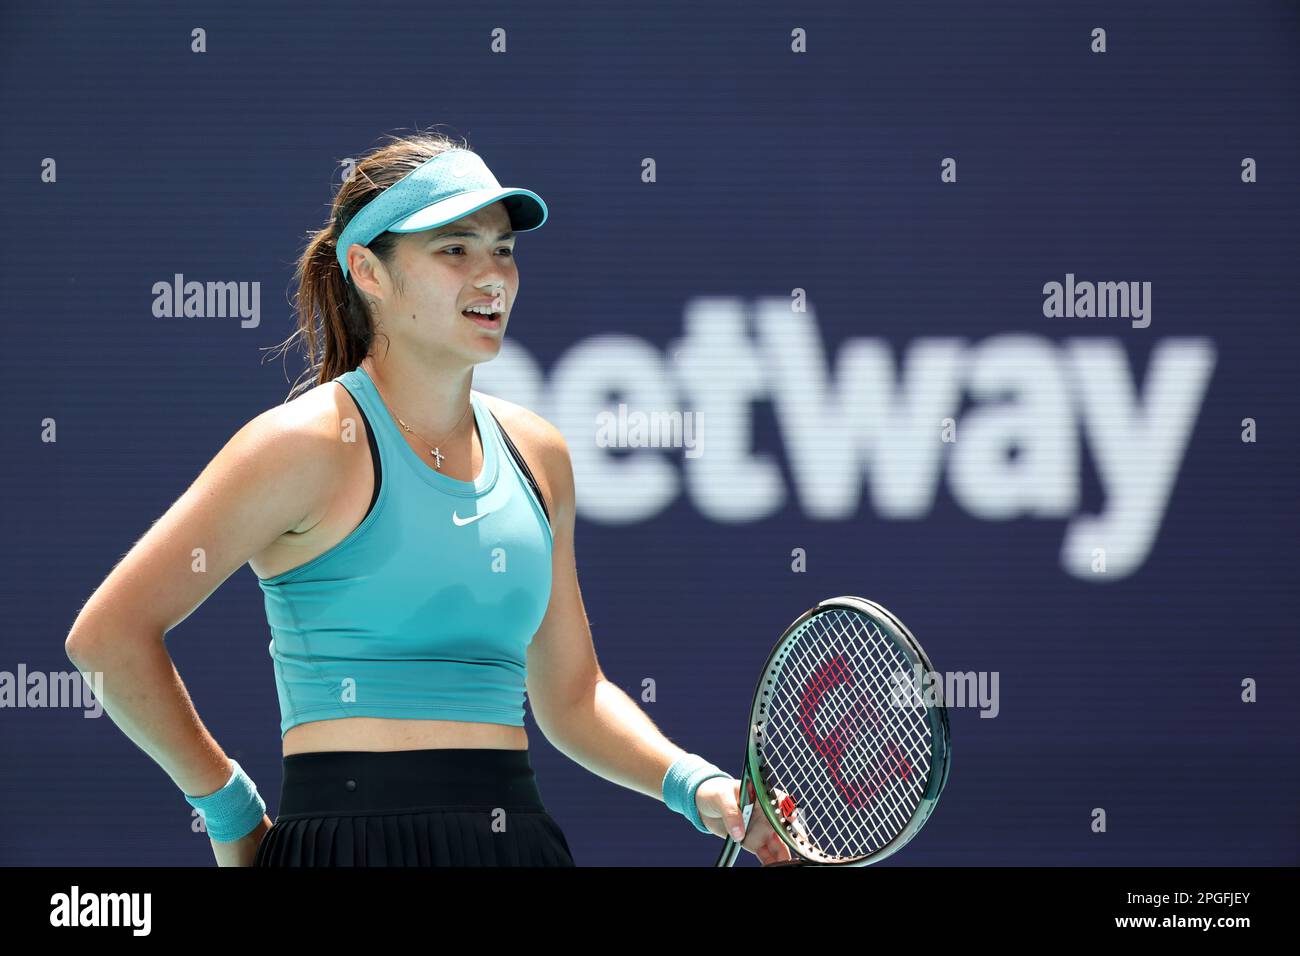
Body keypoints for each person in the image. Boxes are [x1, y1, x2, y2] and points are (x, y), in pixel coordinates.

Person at [62, 130, 793, 866]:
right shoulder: (302, 445)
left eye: (503, 249)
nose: (492, 277)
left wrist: (700, 789)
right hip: (347, 846)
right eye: (454, 249)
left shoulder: (540, 456)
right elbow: (107, 639)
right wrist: (230, 812)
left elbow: (572, 696)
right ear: (367, 272)